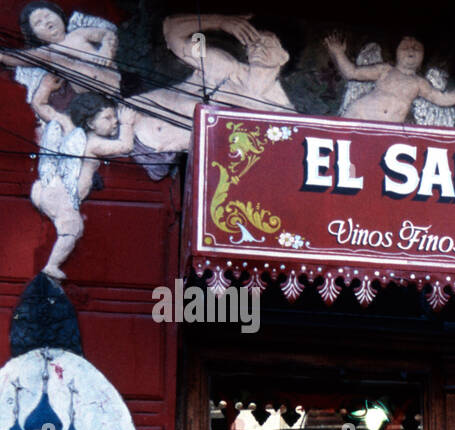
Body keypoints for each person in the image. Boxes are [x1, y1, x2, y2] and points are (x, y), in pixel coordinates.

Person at [127, 13, 294, 157]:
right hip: (128, 123)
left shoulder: (281, 112)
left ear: (283, 56)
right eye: (253, 43)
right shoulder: (221, 65)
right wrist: (219, 22)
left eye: (267, 43)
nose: (258, 47)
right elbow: (173, 34)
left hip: (157, 158)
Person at [28, 91, 136, 279]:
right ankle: (51, 266)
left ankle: (52, 266)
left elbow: (49, 113)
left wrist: (43, 91)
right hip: (61, 195)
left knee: (74, 231)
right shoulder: (93, 144)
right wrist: (127, 123)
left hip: (49, 191)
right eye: (107, 117)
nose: (115, 121)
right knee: (72, 228)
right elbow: (126, 146)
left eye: (115, 117)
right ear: (90, 123)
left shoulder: (72, 132)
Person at [325, 34, 455, 123]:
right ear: (395, 52)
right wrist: (338, 53)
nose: (411, 51)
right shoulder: (385, 70)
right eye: (405, 47)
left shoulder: (419, 83)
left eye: (416, 48)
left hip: (387, 128)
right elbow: (352, 73)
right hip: (360, 114)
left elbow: (438, 98)